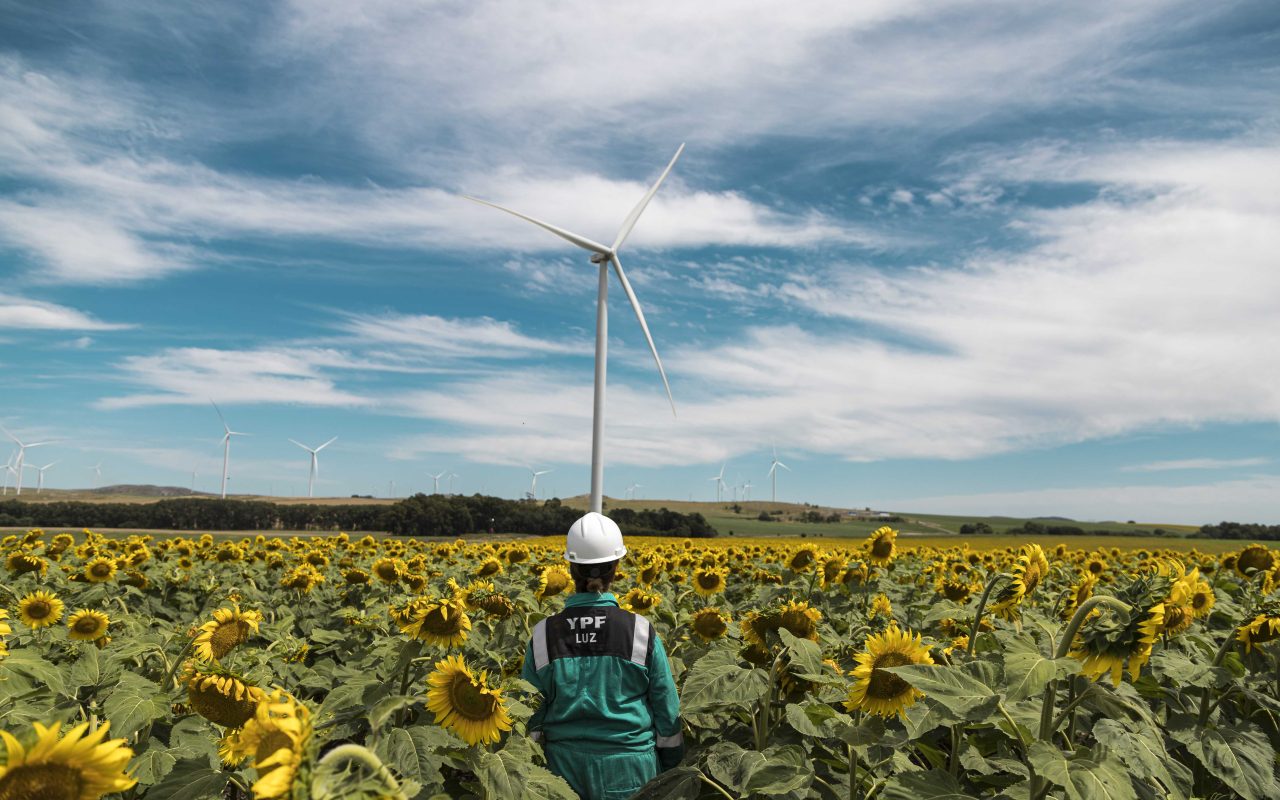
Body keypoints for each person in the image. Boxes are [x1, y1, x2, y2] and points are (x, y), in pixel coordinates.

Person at [523, 512, 685, 800]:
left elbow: (529, 714)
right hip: (630, 768)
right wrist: (670, 765)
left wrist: (532, 765)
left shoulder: (543, 635)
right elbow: (666, 710)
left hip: (561, 768)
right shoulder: (640, 631)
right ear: (615, 568)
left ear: (571, 570)